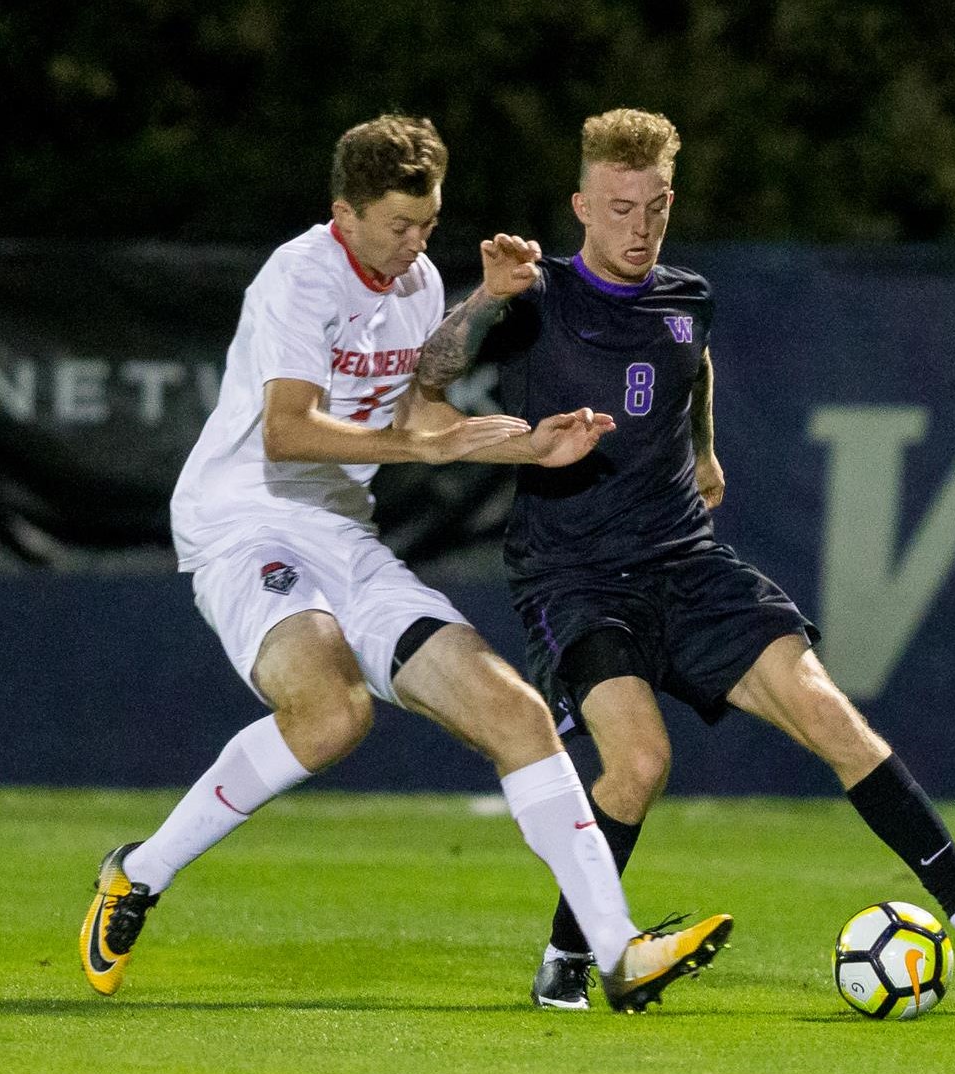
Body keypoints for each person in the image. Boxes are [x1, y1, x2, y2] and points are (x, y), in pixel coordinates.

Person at [77, 114, 732, 1014]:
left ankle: (614, 952)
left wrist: (524, 448)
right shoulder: (298, 277)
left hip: (342, 531)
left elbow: (423, 418)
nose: (417, 244)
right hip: (245, 521)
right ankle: (138, 875)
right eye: (398, 225)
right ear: (343, 213)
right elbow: (289, 429)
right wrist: (428, 450)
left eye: (428, 225)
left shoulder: (420, 280)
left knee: (520, 715)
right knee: (331, 710)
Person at [415, 108, 955, 1011]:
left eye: (655, 208)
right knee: (639, 764)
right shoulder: (539, 296)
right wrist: (483, 297)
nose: (638, 228)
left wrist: (705, 450)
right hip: (577, 577)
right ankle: (569, 954)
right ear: (582, 207)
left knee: (829, 713)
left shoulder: (689, 297)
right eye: (619, 208)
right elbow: (430, 375)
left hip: (686, 562)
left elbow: (696, 364)